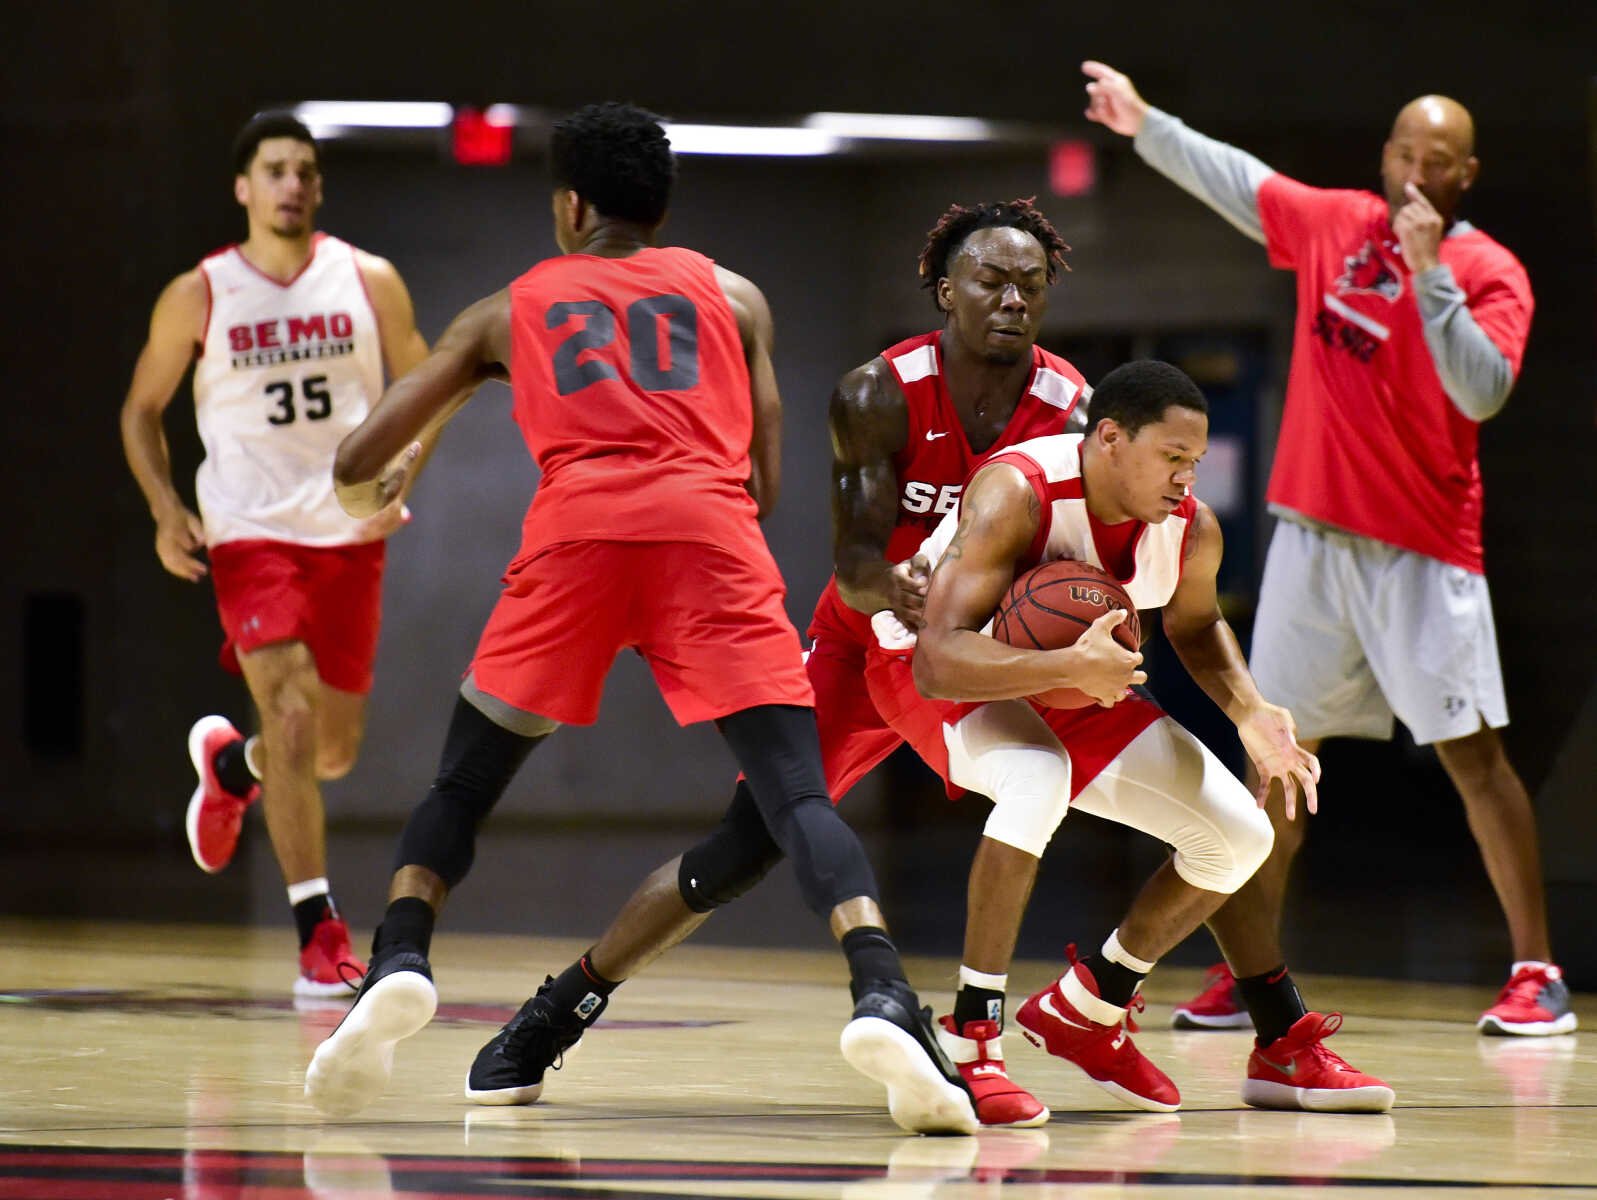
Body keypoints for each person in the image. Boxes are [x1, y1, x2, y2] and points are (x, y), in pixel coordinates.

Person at [302, 103, 976, 1136]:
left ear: (571, 206)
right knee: (797, 795)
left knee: (464, 782)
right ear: (658, 205)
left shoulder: (507, 308)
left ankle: (397, 956)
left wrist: (381, 479)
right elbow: (764, 478)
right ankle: (879, 988)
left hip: (576, 537)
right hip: (709, 536)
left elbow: (354, 467)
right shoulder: (735, 297)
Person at [456, 199, 1091, 1129]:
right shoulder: (878, 390)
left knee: (1129, 781)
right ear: (945, 289)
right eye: (991, 280)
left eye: (1031, 285)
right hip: (866, 638)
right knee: (739, 852)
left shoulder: (1071, 405)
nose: (1012, 299)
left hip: (978, 650)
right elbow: (856, 561)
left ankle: (1056, 1018)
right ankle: (561, 1008)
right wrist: (903, 593)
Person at [1081, 62, 1571, 1037]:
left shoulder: (1488, 272)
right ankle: (1252, 970)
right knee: (1274, 756)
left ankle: (1535, 971)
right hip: (1310, 536)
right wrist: (1144, 124)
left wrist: (1431, 279)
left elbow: (1481, 391)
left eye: (1439, 163)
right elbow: (1235, 176)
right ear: (1385, 157)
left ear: (1464, 175)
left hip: (1423, 551)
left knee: (1474, 759)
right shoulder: (1335, 225)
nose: (1417, 174)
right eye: (1404, 155)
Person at [871, 359, 1393, 1114]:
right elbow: (936, 658)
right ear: (1109, 439)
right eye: (1171, 458)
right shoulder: (1015, 493)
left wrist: (1251, 714)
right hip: (942, 670)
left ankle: (1088, 1009)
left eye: (1195, 462)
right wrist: (1062, 663)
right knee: (1035, 776)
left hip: (1070, 677)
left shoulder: (1188, 527)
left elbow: (1195, 623)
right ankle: (970, 1039)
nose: (1186, 479)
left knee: (1237, 835)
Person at [120, 112, 432, 997]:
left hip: (349, 532)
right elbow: (141, 409)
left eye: (305, 170)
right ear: (243, 188)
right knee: (289, 715)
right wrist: (163, 506)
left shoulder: (367, 280)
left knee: (329, 752)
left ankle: (230, 769)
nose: (292, 183)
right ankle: (317, 932)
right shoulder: (202, 292)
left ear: (318, 188)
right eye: (274, 169)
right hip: (250, 532)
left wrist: (408, 466)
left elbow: (424, 385)